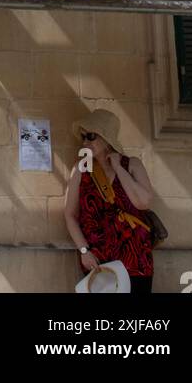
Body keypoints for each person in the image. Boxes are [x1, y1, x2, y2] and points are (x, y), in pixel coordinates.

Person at [64, 109, 155, 294]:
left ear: (107, 138)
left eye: (91, 136)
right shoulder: (81, 170)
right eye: (83, 137)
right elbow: (70, 215)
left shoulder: (132, 165)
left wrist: (118, 169)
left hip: (136, 259)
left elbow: (144, 202)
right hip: (99, 261)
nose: (85, 142)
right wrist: (84, 251)